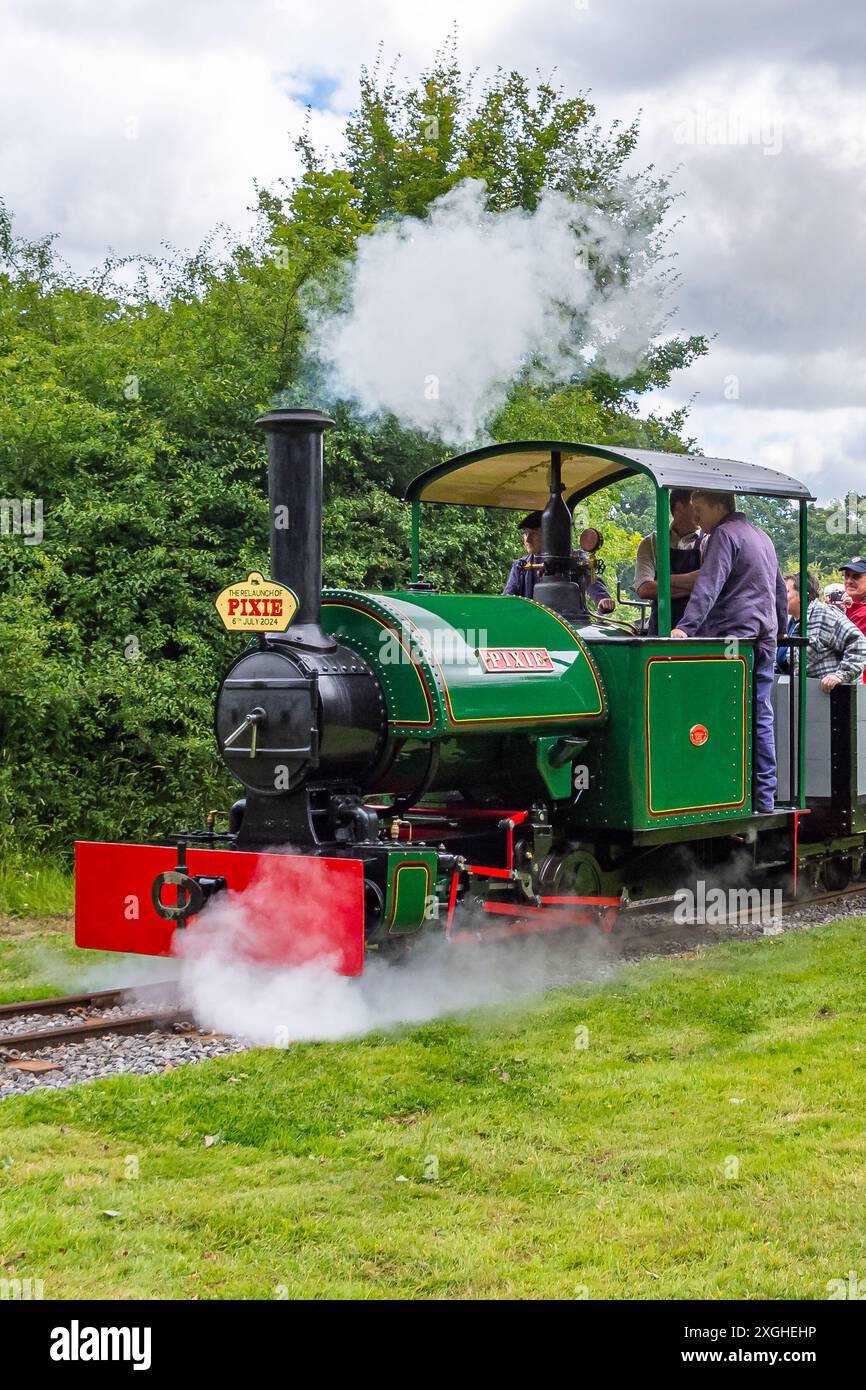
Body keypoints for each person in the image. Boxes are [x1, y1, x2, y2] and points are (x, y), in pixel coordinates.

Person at [671, 490, 788, 814]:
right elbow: (778, 588)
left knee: (714, 713)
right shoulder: (762, 536)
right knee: (760, 715)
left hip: (733, 639)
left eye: (699, 510)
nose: (695, 518)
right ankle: (763, 798)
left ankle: (717, 793)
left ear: (719, 506)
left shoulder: (723, 534)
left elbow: (709, 584)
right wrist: (779, 627)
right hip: (764, 638)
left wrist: (686, 628)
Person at [503, 510, 616, 613]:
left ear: (549, 534)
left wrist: (603, 599)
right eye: (525, 533)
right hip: (533, 625)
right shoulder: (520, 566)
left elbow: (592, 581)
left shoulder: (575, 559)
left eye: (534, 533)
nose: (527, 539)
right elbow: (507, 599)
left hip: (570, 623)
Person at [633, 488, 704, 634]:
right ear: (679, 508)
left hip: (698, 632)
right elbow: (644, 589)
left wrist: (662, 581)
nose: (700, 511)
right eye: (695, 506)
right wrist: (694, 585)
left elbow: (709, 583)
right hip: (660, 631)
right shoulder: (651, 542)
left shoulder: (710, 541)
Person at [784, 572, 866, 691]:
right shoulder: (789, 622)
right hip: (805, 697)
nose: (778, 596)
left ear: (802, 595)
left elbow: (859, 642)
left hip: (834, 700)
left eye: (785, 592)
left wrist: (840, 675)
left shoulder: (824, 614)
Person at [840, 558, 866, 637]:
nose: (849, 581)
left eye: (856, 577)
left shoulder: (863, 615)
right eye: (846, 576)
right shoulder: (851, 607)